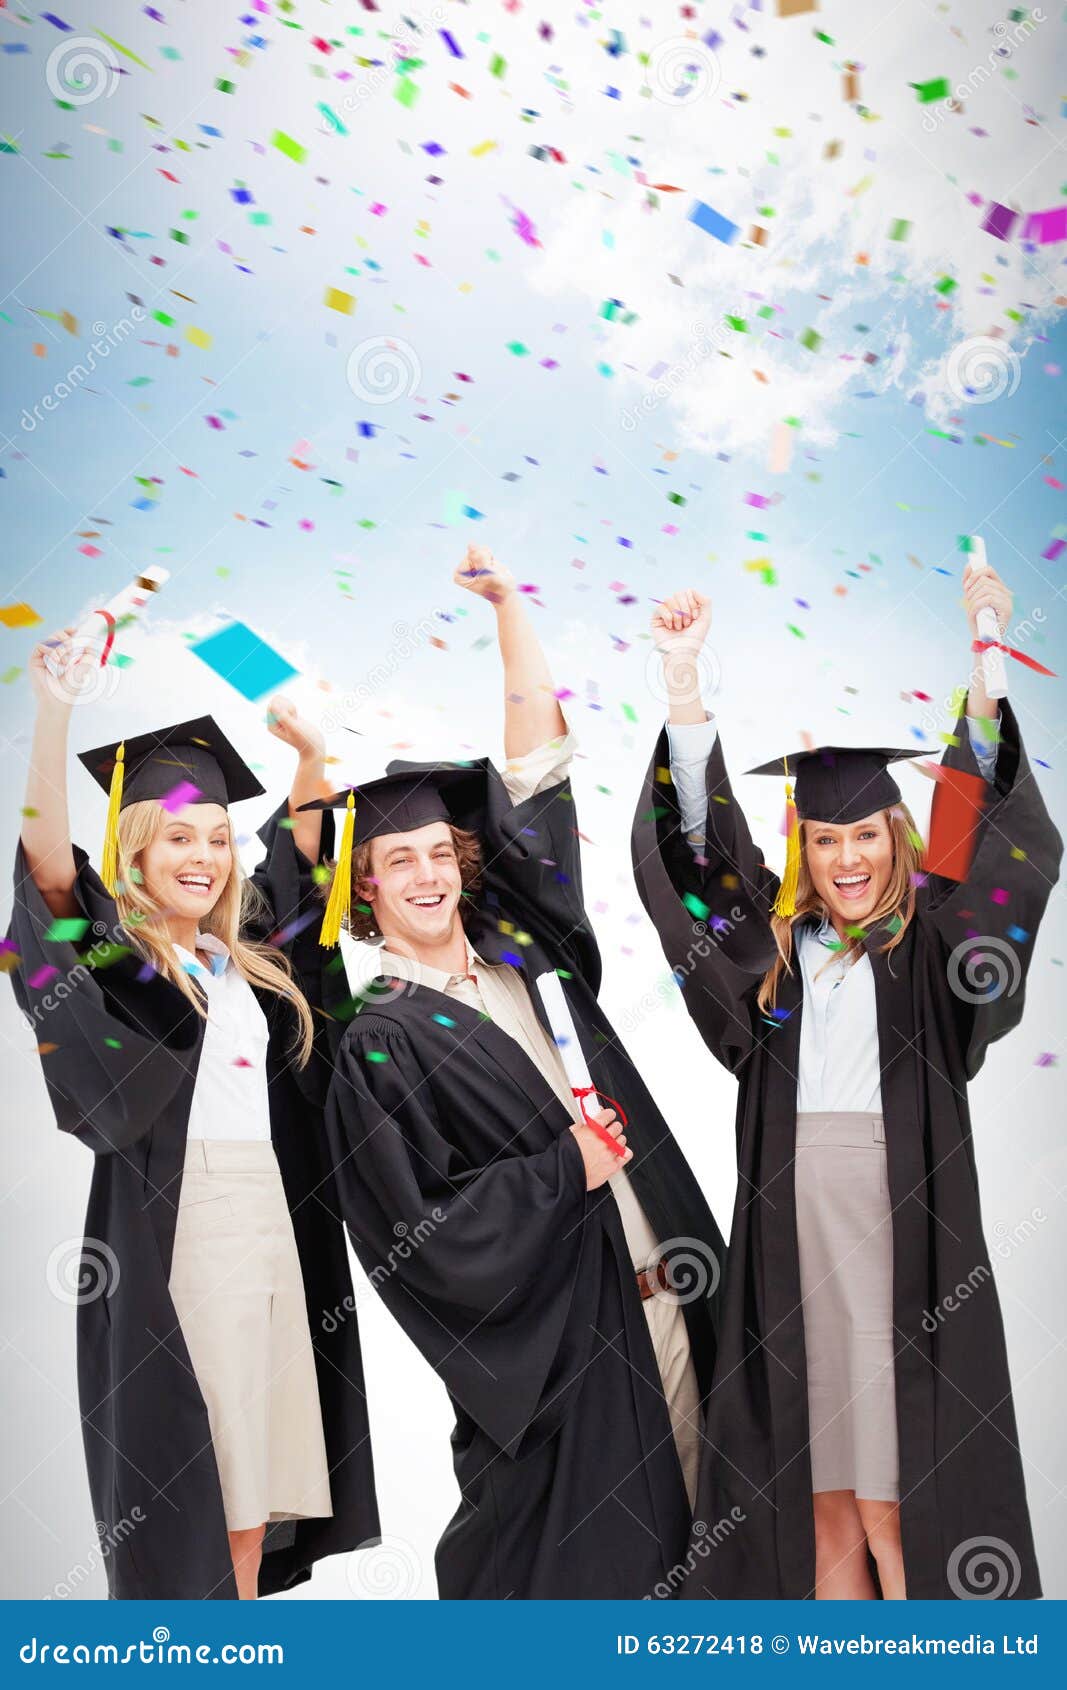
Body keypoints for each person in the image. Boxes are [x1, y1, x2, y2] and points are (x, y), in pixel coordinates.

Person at [302, 546, 728, 1599]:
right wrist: (560, 1170)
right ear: (365, 887)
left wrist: (510, 612)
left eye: (440, 852)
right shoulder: (375, 1040)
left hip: (675, 1294)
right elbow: (414, 1235)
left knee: (719, 1554)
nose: (425, 873)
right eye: (397, 860)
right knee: (589, 1571)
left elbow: (535, 782)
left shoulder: (529, 961)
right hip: (572, 1352)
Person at [630, 571, 1061, 1600]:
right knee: (812, 1499)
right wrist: (683, 687)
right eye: (823, 839)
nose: (844, 856)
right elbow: (697, 868)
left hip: (903, 1247)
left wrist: (985, 654)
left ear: (896, 839)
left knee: (897, 1500)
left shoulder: (930, 950)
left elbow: (992, 841)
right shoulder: (773, 956)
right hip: (789, 1251)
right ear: (803, 850)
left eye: (864, 834)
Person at [8, 628, 379, 1599]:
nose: (204, 856)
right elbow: (47, 872)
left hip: (270, 1229)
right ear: (135, 846)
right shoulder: (117, 960)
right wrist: (54, 709)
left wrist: (306, 757)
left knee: (253, 1495)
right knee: (191, 1491)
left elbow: (299, 867)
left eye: (216, 838)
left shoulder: (246, 959)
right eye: (179, 835)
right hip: (180, 1231)